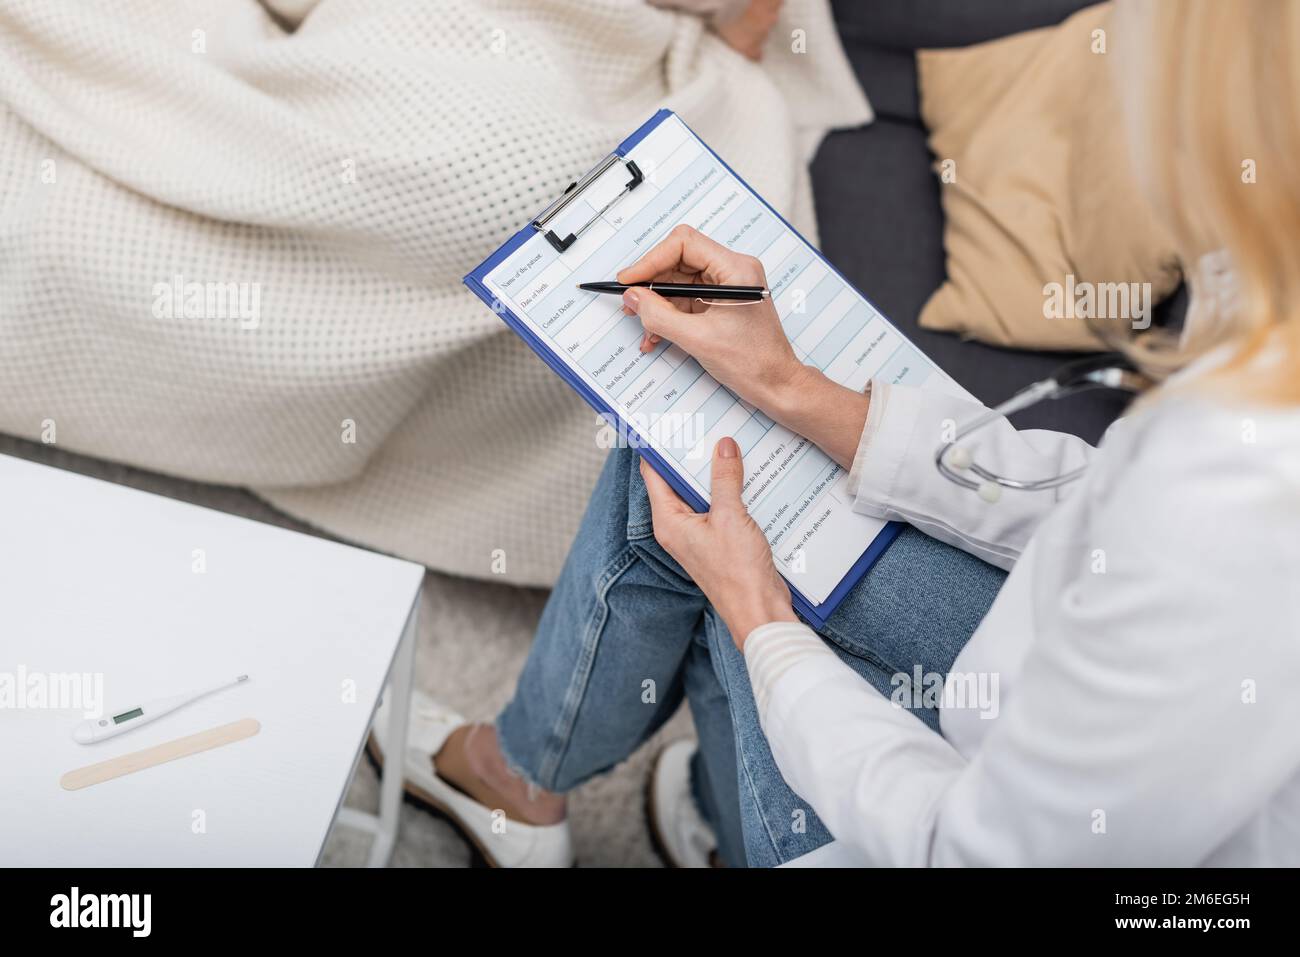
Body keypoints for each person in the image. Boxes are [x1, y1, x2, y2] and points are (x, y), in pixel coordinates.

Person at [371, 0, 1300, 867]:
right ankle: (677, 800)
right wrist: (795, 387)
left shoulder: (1230, 501)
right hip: (1063, 662)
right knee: (708, 439)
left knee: (716, 519)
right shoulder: (1255, 339)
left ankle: (573, 789)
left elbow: (972, 854)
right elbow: (1083, 504)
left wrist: (761, 619)